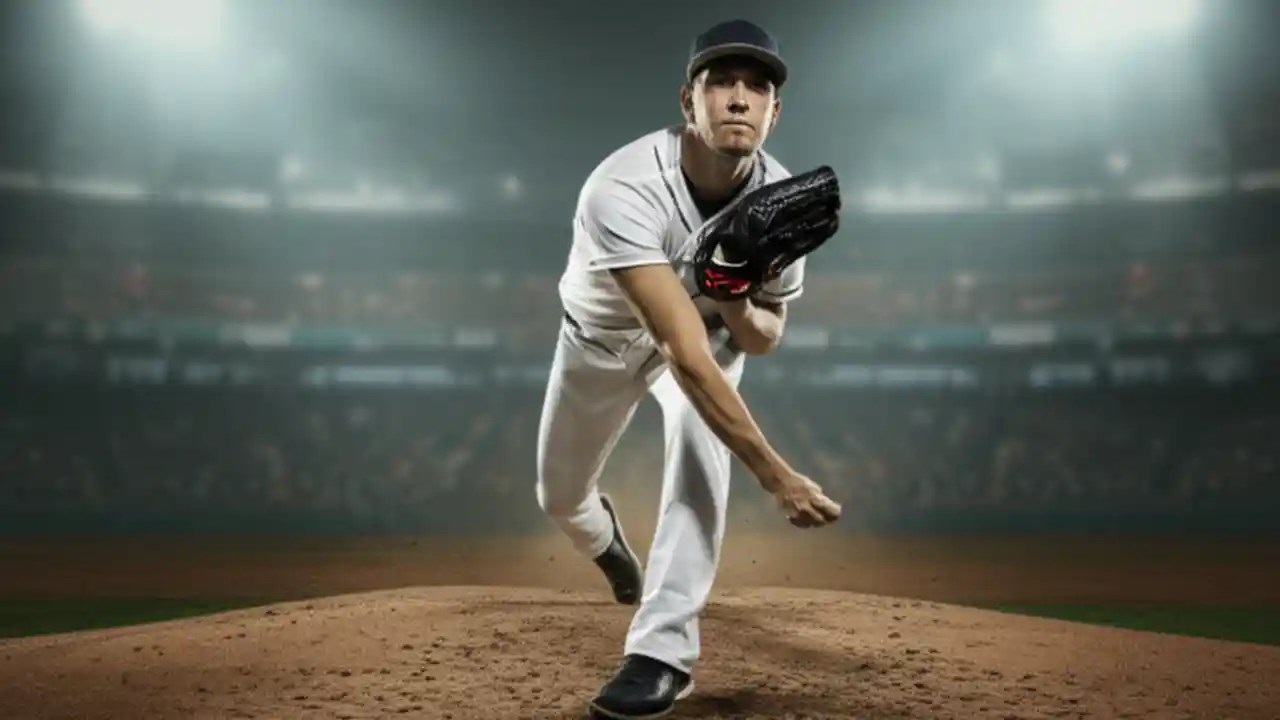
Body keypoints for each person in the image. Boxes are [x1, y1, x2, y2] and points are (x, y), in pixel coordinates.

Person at [534, 19, 843, 719]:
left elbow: (762, 338)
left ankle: (660, 653)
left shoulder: (784, 200)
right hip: (602, 342)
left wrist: (733, 293)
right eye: (722, 83)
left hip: (707, 336)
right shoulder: (623, 186)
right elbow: (678, 350)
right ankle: (605, 542)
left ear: (774, 110)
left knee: (704, 448)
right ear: (688, 102)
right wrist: (777, 473)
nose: (739, 98)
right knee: (558, 496)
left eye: (756, 86)